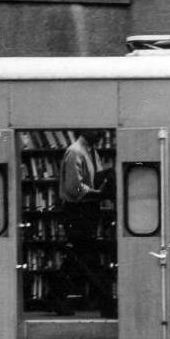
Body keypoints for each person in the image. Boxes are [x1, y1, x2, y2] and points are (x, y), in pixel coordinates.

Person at [56, 130, 115, 316]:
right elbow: (74, 188)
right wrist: (100, 194)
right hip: (77, 212)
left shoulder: (91, 151)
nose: (101, 134)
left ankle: (55, 298)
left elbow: (94, 178)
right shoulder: (76, 152)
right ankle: (107, 304)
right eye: (97, 131)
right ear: (85, 131)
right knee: (88, 257)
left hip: (87, 211)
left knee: (77, 257)